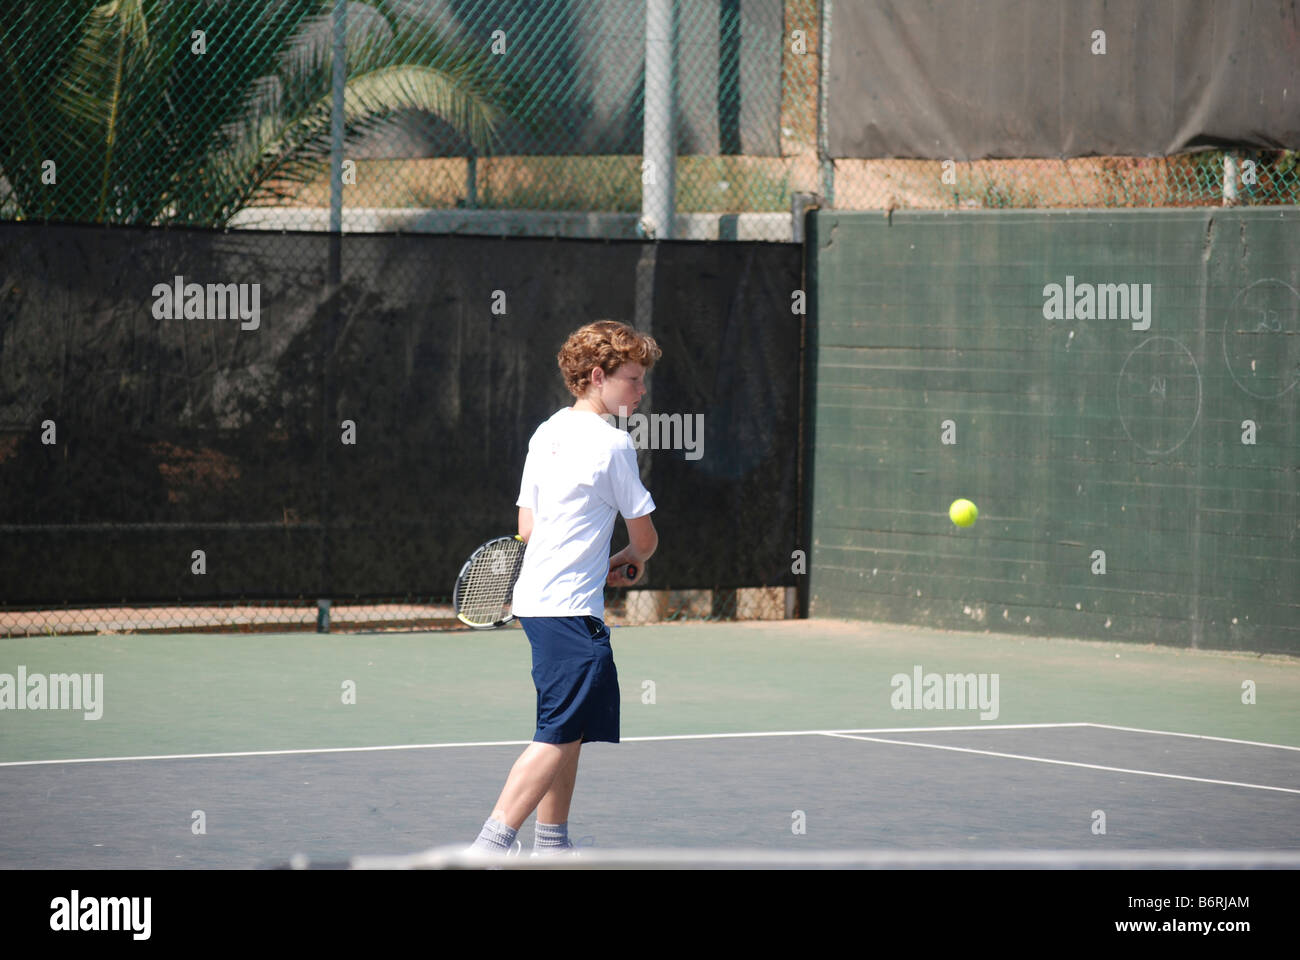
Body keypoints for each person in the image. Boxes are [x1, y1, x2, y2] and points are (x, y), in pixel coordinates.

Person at [468, 321, 661, 857]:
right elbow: (644, 539)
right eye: (633, 379)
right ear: (598, 377)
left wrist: (594, 560)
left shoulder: (545, 432)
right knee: (555, 732)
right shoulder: (615, 445)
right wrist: (626, 559)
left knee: (569, 726)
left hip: (538, 604)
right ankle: (489, 848)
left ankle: (552, 844)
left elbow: (529, 529)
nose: (640, 391)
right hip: (572, 611)